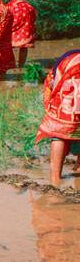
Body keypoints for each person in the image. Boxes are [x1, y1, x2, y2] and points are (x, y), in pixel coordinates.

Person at [35, 49, 80, 185]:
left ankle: (55, 178)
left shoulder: (68, 57)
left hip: (65, 100)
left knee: (59, 134)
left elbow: (50, 84)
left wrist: (51, 107)